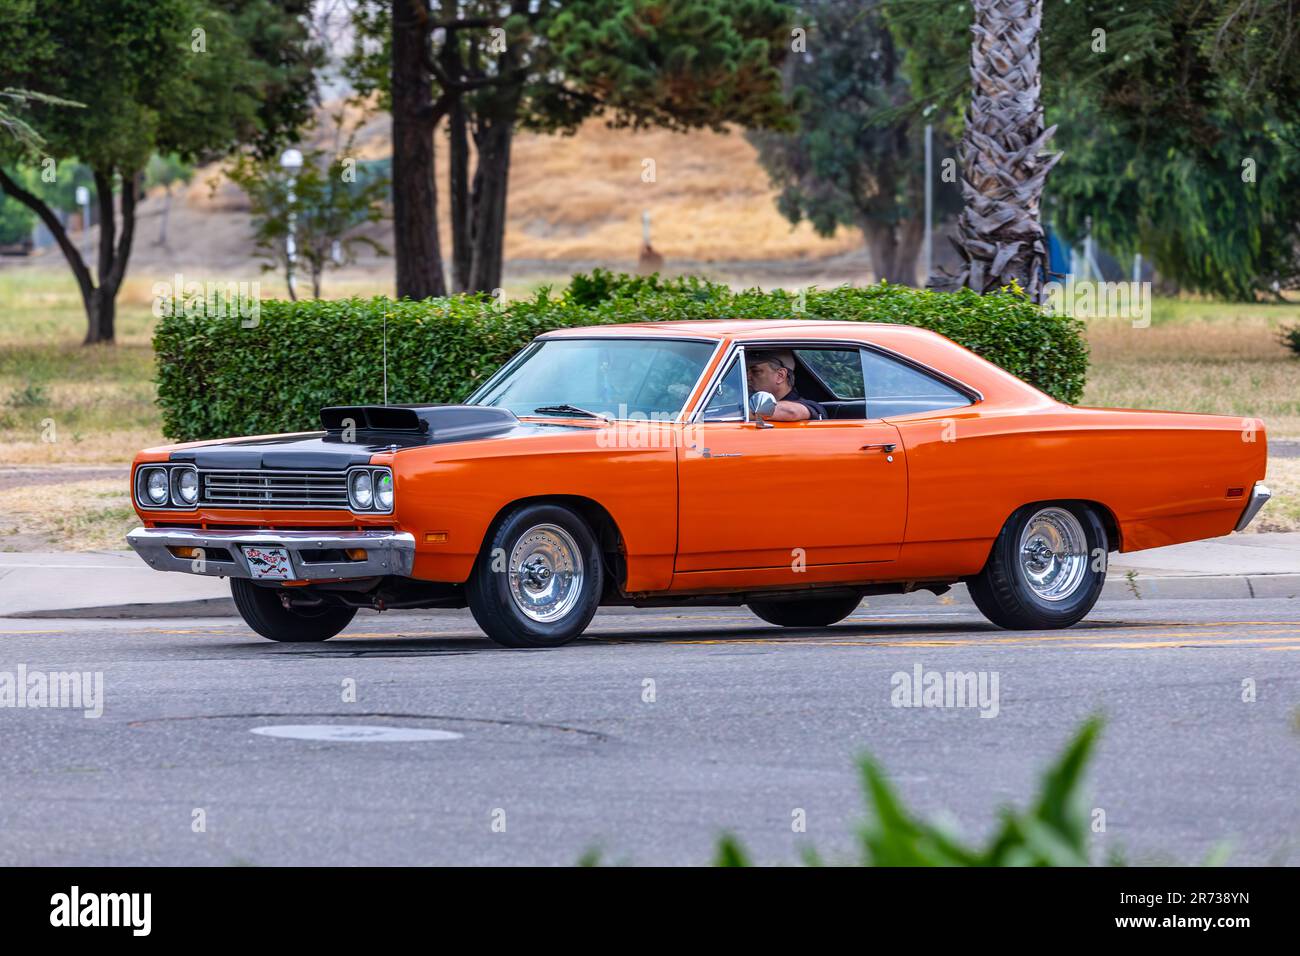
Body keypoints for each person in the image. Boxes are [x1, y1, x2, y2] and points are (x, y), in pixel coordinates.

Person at [745, 349, 826, 421]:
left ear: (780, 376)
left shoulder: (811, 407)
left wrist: (743, 413)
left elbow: (791, 411)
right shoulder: (749, 402)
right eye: (747, 371)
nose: (748, 377)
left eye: (756, 371)